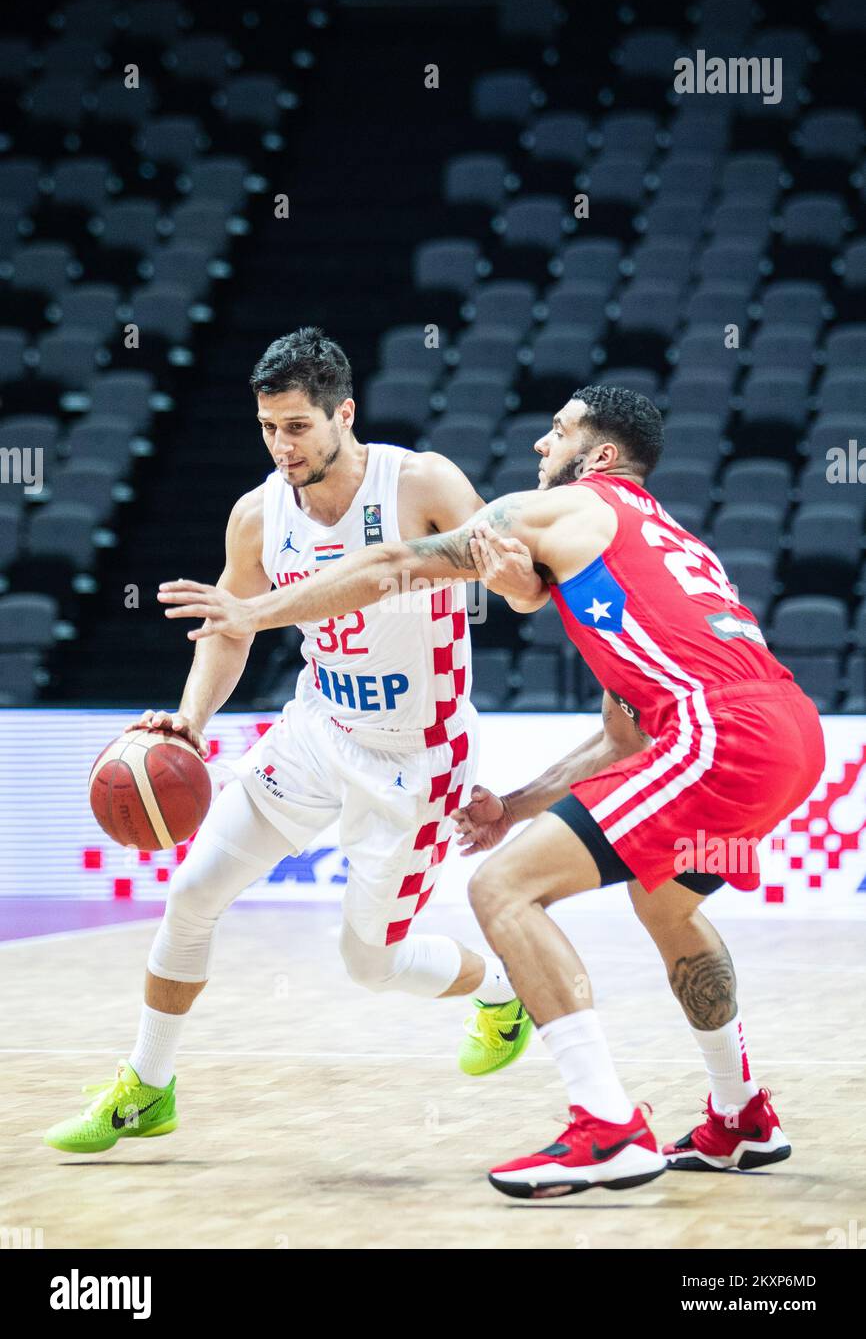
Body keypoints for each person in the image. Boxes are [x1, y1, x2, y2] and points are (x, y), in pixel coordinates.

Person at [158, 384, 826, 1198]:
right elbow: (623, 737)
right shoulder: (659, 539)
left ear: (601, 455)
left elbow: (392, 564)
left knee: (505, 888)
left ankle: (607, 1128)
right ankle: (743, 1116)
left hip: (720, 734)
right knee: (667, 906)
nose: (541, 445)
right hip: (789, 733)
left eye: (559, 431)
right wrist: (513, 806)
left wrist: (251, 611)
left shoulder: (568, 507)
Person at [43, 328, 540, 1156]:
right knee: (193, 894)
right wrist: (190, 721)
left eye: (299, 426)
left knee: (369, 965)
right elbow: (228, 628)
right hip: (315, 729)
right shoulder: (259, 512)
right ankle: (148, 1088)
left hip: (416, 760)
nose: (282, 445)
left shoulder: (420, 482)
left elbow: (522, 595)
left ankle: (500, 991)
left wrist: (504, 570)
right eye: (270, 427)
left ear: (344, 412)